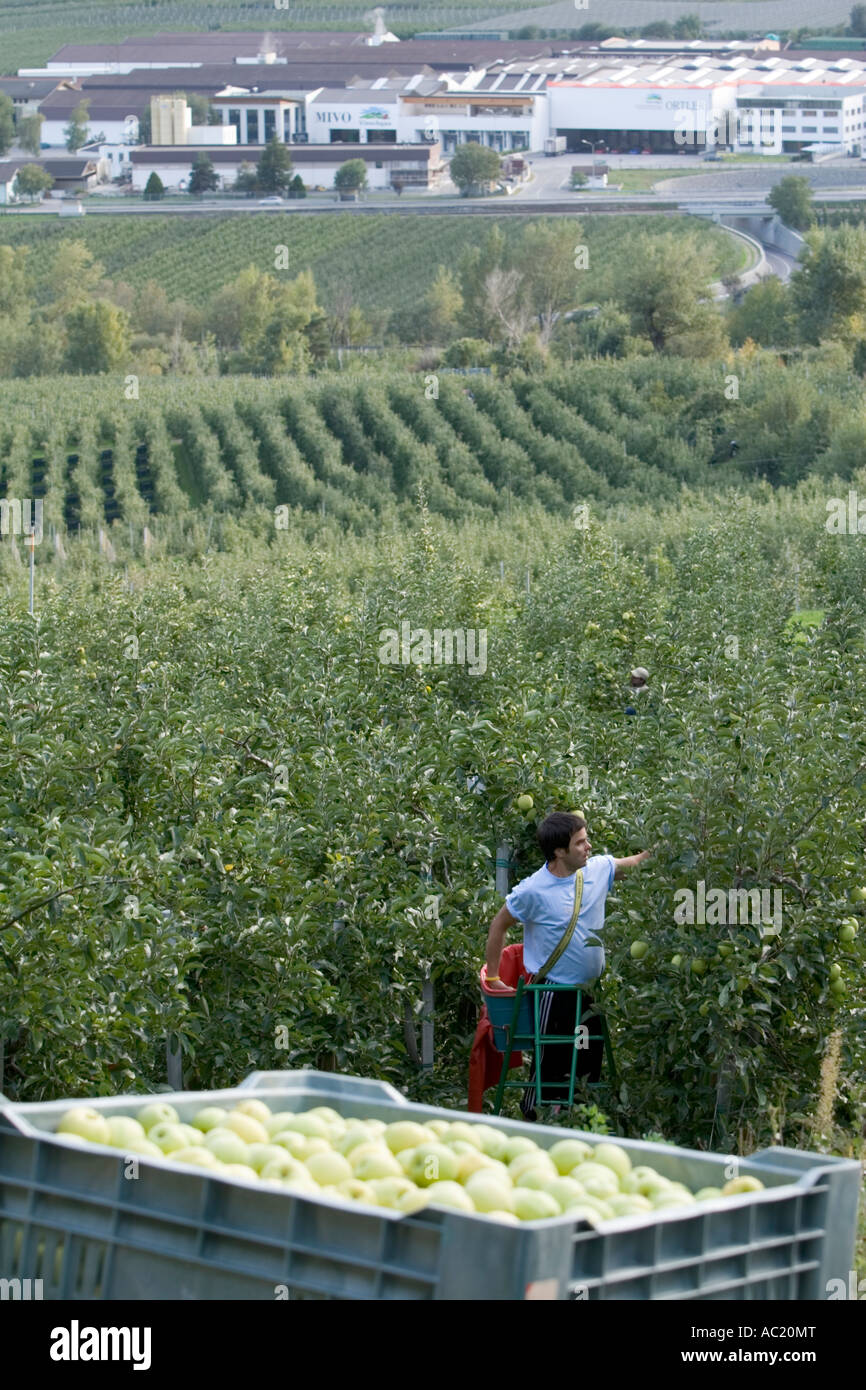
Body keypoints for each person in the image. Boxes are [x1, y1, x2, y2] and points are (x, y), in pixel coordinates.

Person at [484, 812, 652, 1120]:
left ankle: (581, 1122)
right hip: (554, 993)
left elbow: (637, 864)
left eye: (587, 839)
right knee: (552, 1064)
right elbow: (499, 925)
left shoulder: (598, 870)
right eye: (580, 842)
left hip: (589, 994)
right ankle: (535, 1119)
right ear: (560, 852)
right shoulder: (533, 890)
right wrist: (493, 976)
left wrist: (662, 846)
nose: (588, 846)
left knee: (587, 1062)